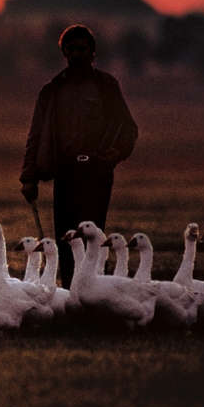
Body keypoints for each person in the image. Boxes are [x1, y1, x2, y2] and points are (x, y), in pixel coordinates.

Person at [19, 24, 138, 288]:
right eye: (70, 49)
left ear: (92, 52)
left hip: (97, 173)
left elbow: (128, 128)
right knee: (66, 240)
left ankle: (95, 294)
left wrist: (114, 154)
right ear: (64, 53)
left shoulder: (107, 86)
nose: (76, 54)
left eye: (82, 49)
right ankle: (71, 295)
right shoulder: (51, 91)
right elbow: (35, 137)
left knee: (92, 238)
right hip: (65, 173)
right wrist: (29, 178)